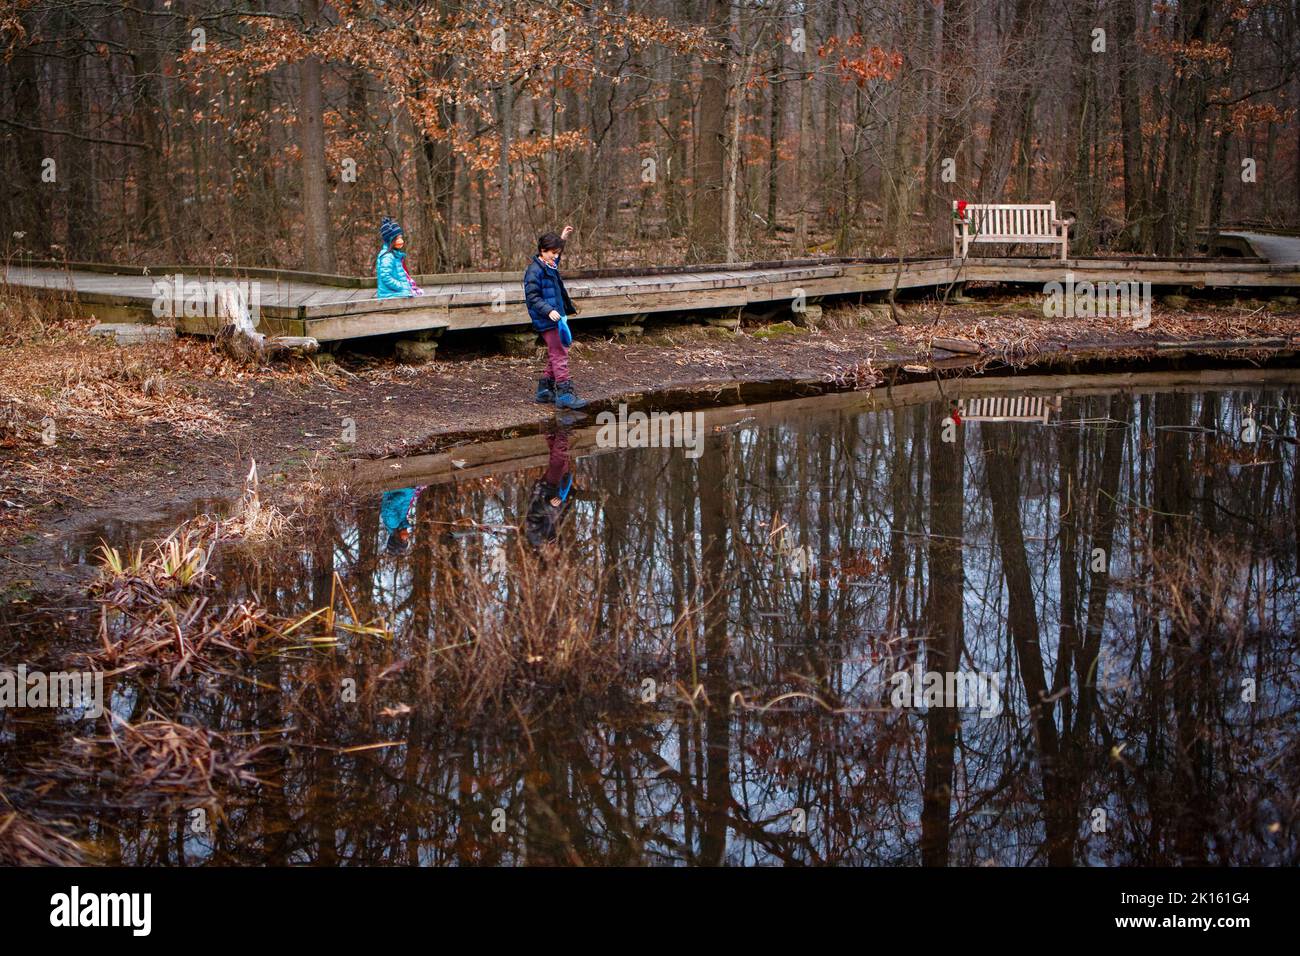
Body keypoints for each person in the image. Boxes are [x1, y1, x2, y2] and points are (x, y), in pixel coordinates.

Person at [523, 225, 588, 410]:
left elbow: (555, 262)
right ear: (542, 251)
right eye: (553, 253)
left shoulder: (548, 265)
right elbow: (532, 297)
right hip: (546, 318)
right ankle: (564, 394)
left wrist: (562, 239)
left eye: (558, 253)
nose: (556, 257)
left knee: (557, 350)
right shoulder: (534, 271)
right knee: (560, 353)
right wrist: (548, 311)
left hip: (557, 317)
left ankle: (544, 390)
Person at [376, 216, 424, 299]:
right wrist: (402, 286)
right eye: (398, 238)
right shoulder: (387, 257)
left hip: (394, 292)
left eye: (401, 237)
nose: (401, 240)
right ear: (391, 240)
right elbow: (385, 277)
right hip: (390, 294)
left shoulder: (394, 254)